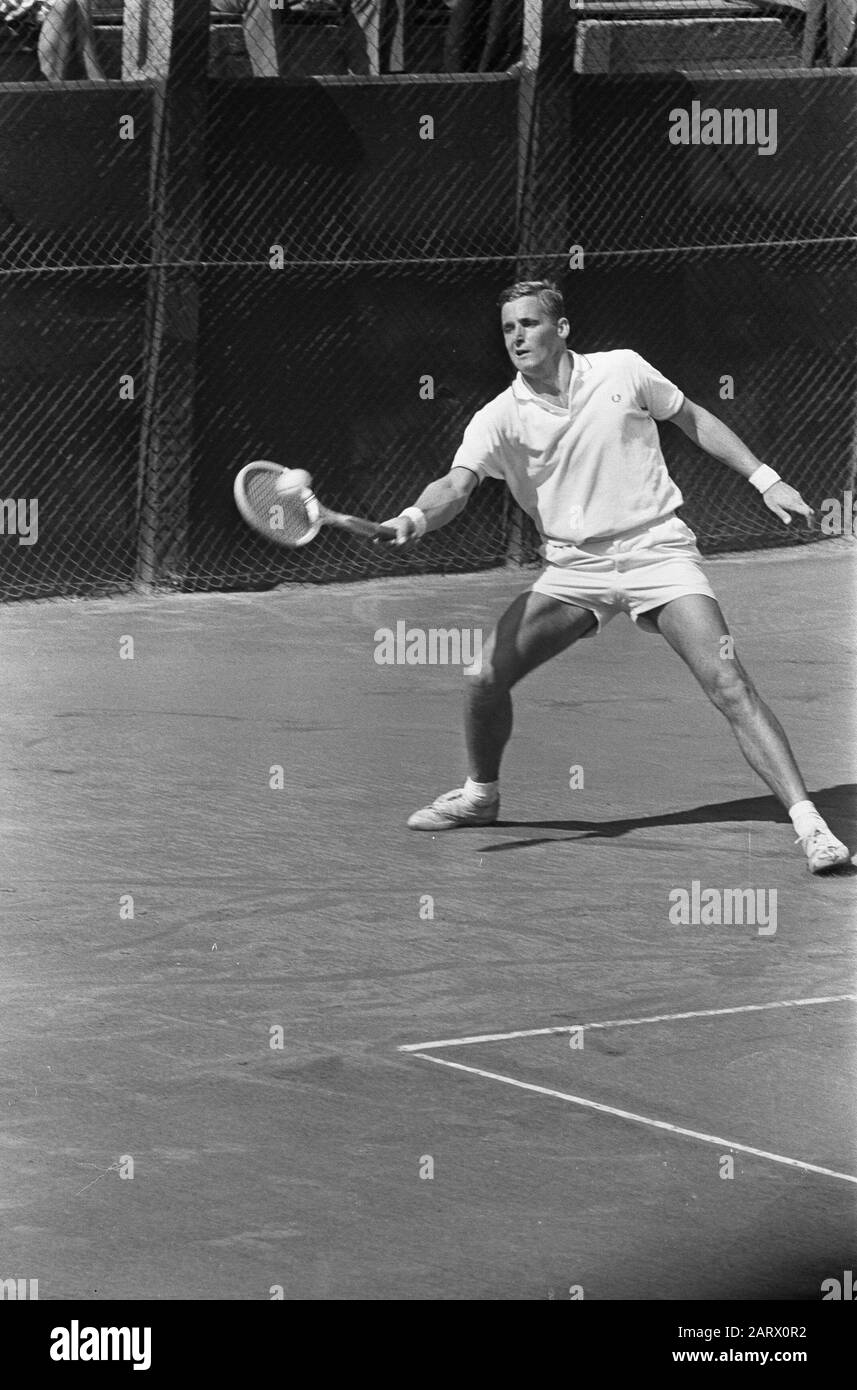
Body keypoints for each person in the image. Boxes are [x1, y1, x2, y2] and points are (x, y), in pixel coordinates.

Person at [379, 279, 850, 873]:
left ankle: (810, 824)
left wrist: (764, 478)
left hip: (658, 551)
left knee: (728, 682)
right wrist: (415, 517)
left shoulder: (624, 370)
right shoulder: (498, 418)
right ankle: (480, 796)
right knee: (482, 677)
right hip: (575, 568)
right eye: (507, 328)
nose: (517, 336)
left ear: (562, 327)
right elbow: (456, 485)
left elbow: (691, 417)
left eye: (528, 323)